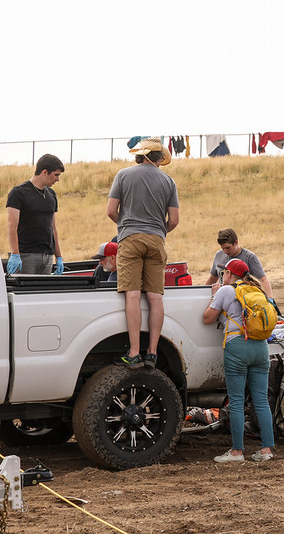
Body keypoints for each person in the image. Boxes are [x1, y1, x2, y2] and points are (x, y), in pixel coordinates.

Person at [106, 138, 179, 370]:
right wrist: (158, 231)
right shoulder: (169, 181)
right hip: (157, 240)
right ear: (159, 158)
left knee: (133, 295)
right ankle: (153, 352)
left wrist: (126, 226)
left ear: (140, 155)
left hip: (130, 239)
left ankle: (135, 352)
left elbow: (110, 211)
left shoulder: (123, 175)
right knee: (155, 297)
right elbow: (174, 220)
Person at [202, 259, 275, 463]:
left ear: (230, 274)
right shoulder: (257, 290)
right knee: (261, 400)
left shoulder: (226, 291)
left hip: (237, 346)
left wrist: (214, 295)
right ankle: (266, 449)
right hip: (260, 347)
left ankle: (237, 452)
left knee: (236, 401)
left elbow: (207, 318)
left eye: (224, 273)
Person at [5, 154, 65, 275]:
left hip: (47, 256)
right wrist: (15, 254)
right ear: (44, 172)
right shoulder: (18, 193)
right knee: (25, 293)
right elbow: (12, 226)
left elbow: (53, 228)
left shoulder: (52, 195)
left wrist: (58, 256)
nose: (57, 179)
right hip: (26, 255)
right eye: (56, 175)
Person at [204, 228, 273, 297]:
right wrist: (201, 292)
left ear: (236, 242)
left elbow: (263, 279)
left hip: (244, 299)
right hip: (224, 298)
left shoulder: (250, 257)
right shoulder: (218, 255)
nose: (225, 251)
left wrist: (270, 299)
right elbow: (213, 278)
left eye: (228, 248)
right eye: (222, 248)